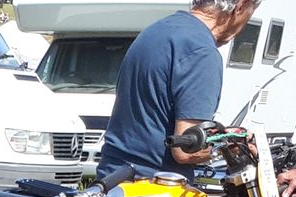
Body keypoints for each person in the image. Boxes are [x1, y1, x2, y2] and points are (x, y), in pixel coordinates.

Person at [95, 0, 258, 179]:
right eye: (252, 10)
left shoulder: (157, 30)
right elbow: (185, 150)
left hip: (112, 180)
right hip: (152, 191)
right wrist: (233, 144)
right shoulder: (202, 51)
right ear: (241, 5)